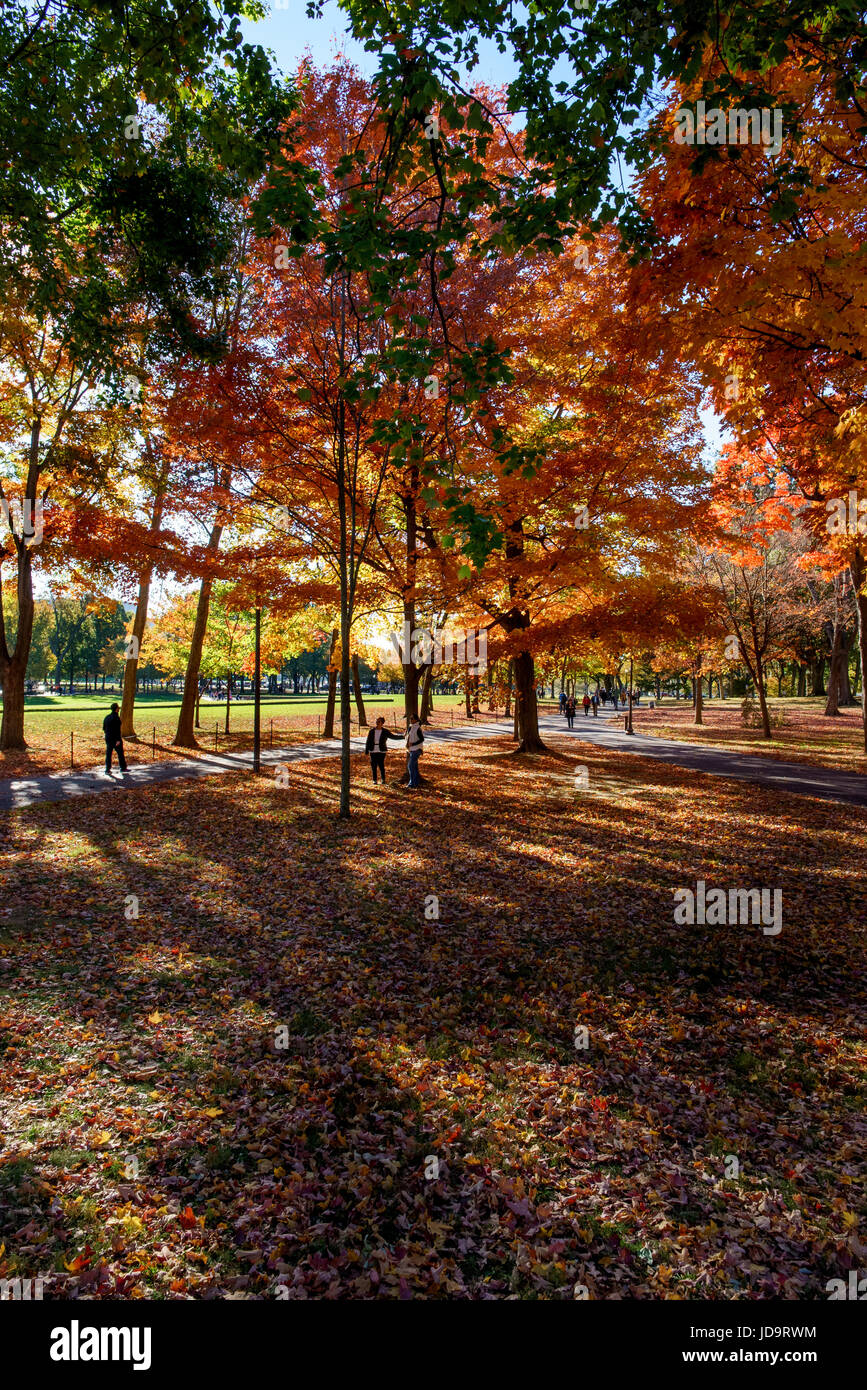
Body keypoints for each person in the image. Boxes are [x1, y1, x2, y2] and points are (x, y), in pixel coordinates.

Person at [364, 716, 401, 784]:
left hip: (382, 750)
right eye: (377, 721)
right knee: (373, 765)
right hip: (373, 750)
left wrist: (403, 737)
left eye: (379, 721)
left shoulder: (385, 731)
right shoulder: (372, 731)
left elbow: (393, 736)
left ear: (382, 723)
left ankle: (383, 779)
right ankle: (374, 780)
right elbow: (368, 741)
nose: (377, 722)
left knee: (381, 765)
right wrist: (366, 750)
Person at [103, 701, 127, 775]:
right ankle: (123, 767)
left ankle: (107, 769)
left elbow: (104, 728)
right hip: (115, 738)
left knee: (108, 753)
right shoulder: (116, 718)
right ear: (117, 709)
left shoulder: (107, 717)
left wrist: (107, 735)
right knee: (120, 753)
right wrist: (118, 740)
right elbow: (117, 730)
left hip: (108, 737)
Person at [405, 715, 425, 789]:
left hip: (417, 749)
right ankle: (415, 783)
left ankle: (411, 784)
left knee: (410, 766)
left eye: (412, 718)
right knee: (414, 767)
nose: (411, 720)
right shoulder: (410, 727)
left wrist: (413, 744)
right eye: (410, 718)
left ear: (416, 720)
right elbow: (408, 737)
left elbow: (422, 739)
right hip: (411, 749)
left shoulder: (418, 728)